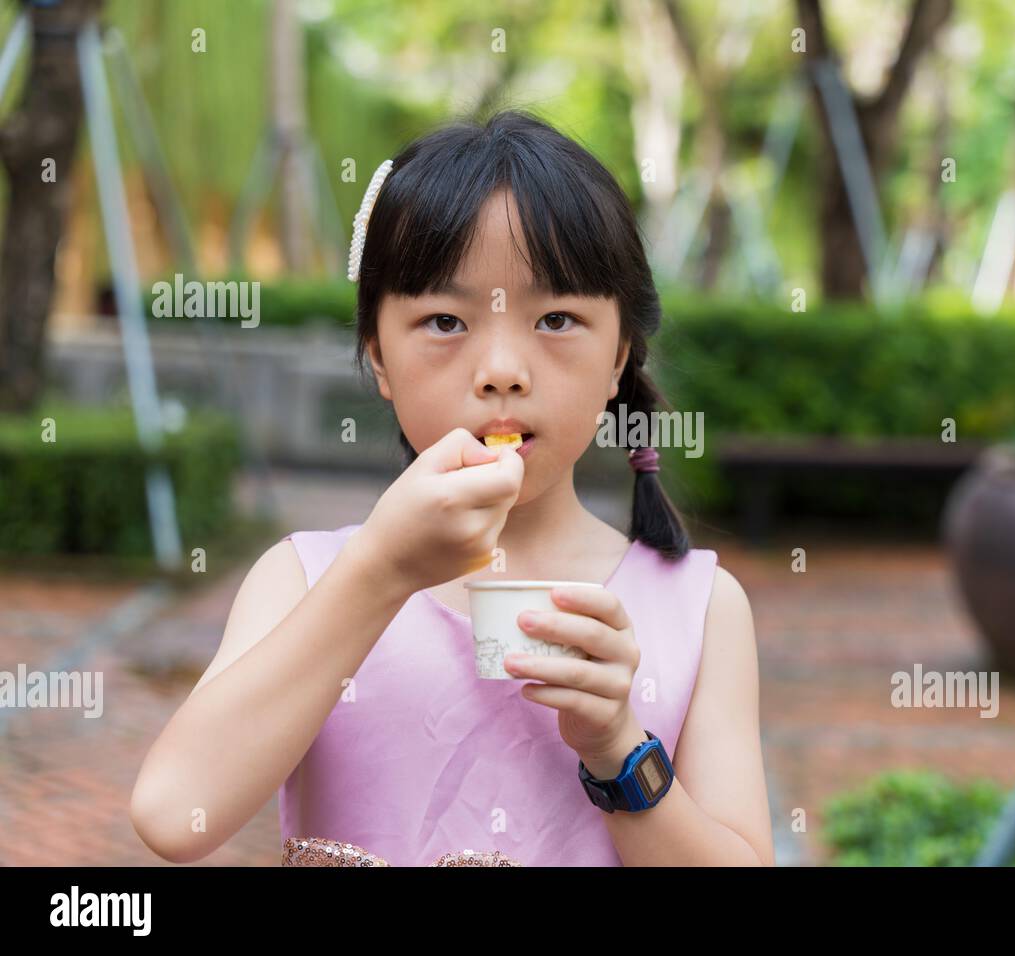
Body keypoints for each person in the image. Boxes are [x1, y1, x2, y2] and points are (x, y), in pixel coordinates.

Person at [129, 108, 774, 867]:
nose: (502, 367)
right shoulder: (303, 580)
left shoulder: (698, 609)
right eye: (444, 320)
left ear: (618, 359)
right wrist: (380, 571)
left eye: (557, 318)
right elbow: (174, 815)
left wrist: (619, 749)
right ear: (378, 355)